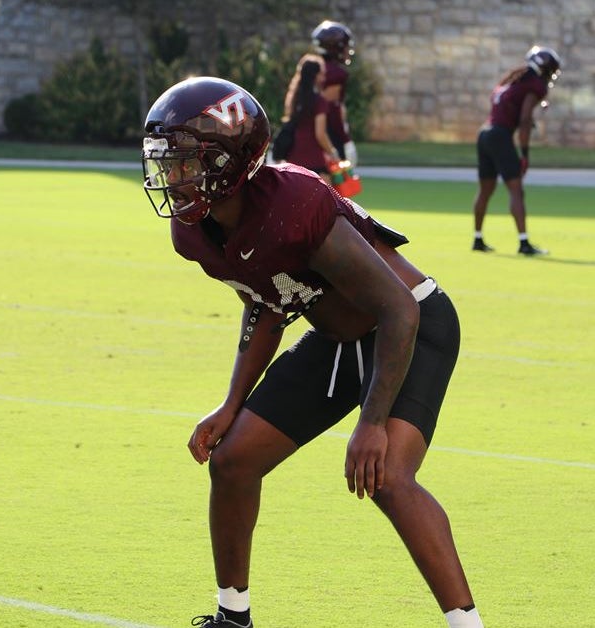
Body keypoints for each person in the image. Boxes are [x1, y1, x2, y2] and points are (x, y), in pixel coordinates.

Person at [141, 76, 484, 628]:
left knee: (389, 477)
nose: (172, 177)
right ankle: (233, 618)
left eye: (185, 162)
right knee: (232, 461)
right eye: (166, 161)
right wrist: (232, 402)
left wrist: (372, 422)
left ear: (230, 162)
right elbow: (266, 302)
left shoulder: (293, 204)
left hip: (411, 325)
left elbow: (398, 309)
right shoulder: (194, 233)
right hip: (338, 337)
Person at [471, 45, 561, 255]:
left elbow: (506, 106)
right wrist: (525, 153)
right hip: (500, 136)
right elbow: (525, 119)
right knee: (516, 190)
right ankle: (524, 243)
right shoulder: (535, 85)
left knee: (485, 190)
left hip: (484, 134)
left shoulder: (511, 81)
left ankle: (477, 239)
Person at [280, 54, 341, 182]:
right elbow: (320, 134)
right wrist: (333, 152)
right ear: (315, 76)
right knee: (325, 194)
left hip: (293, 159)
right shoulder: (319, 101)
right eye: (321, 74)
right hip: (315, 160)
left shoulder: (294, 99)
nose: (324, 78)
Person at [311, 20, 356, 166]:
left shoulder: (310, 67)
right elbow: (331, 110)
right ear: (337, 47)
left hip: (308, 134)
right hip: (328, 135)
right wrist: (345, 140)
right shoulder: (335, 73)